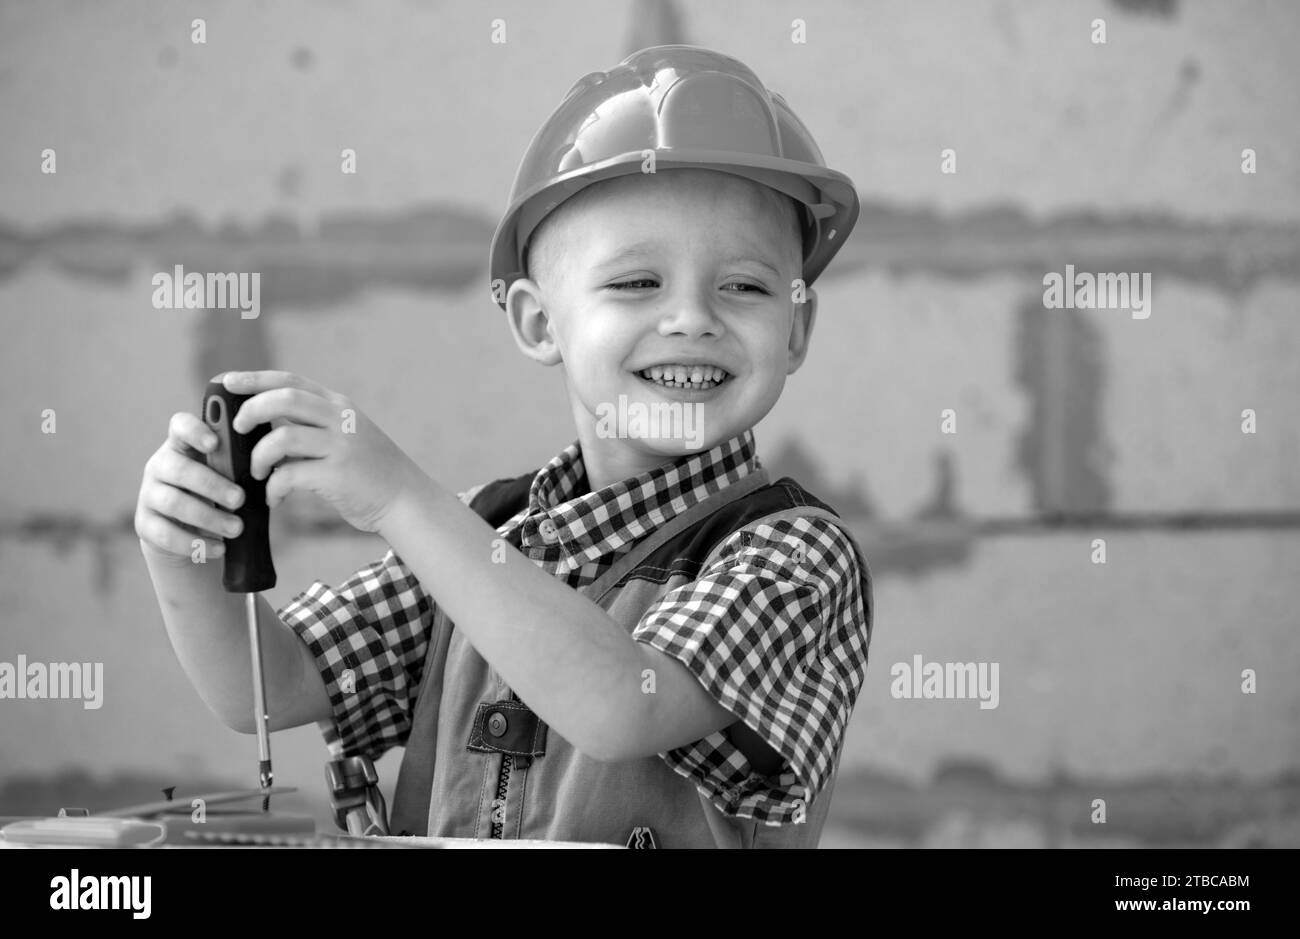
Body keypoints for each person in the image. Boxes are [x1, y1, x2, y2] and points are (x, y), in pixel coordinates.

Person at [136, 45, 873, 848]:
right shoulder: (482, 535)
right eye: (636, 283)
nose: (692, 318)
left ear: (795, 327)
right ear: (537, 322)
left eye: (746, 285)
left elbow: (622, 704)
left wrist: (396, 498)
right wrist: (184, 550)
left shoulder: (791, 557)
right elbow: (268, 691)